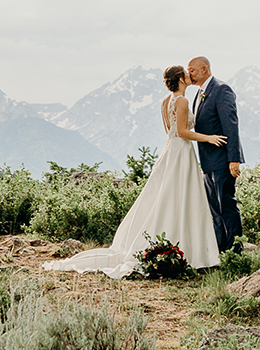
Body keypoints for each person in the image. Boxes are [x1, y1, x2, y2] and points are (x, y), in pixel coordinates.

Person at [44, 65, 224, 276]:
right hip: (181, 153)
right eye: (186, 73)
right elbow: (183, 132)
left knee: (166, 196)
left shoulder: (165, 102)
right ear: (181, 79)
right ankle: (192, 251)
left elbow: (170, 131)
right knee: (181, 196)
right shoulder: (182, 100)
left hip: (170, 151)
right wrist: (208, 138)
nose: (189, 75)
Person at [188, 56, 243, 253]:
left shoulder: (221, 89)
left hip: (222, 159)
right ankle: (221, 247)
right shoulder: (199, 93)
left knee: (226, 203)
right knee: (215, 207)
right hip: (208, 160)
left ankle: (236, 249)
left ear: (205, 69)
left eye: (192, 70)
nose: (190, 74)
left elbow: (231, 125)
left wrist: (233, 159)